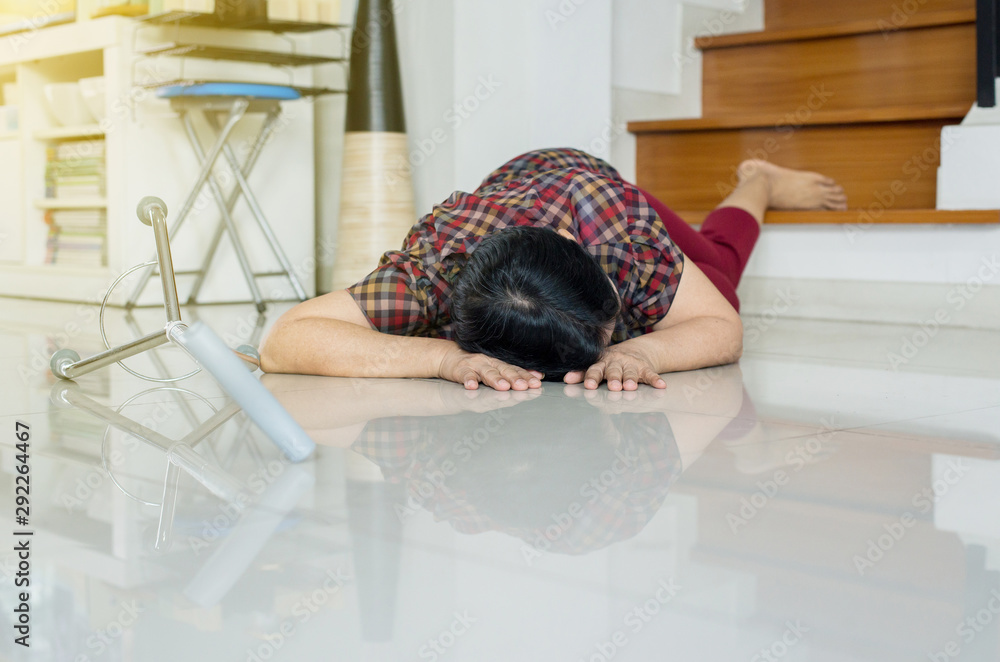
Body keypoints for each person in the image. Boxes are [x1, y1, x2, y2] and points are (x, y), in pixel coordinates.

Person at [260, 148, 846, 391]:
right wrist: (441, 359)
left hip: (587, 179)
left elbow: (723, 328)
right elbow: (284, 341)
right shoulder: (435, 269)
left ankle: (757, 181)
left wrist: (644, 352)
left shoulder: (623, 234)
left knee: (720, 274)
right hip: (523, 186)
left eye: (613, 330)